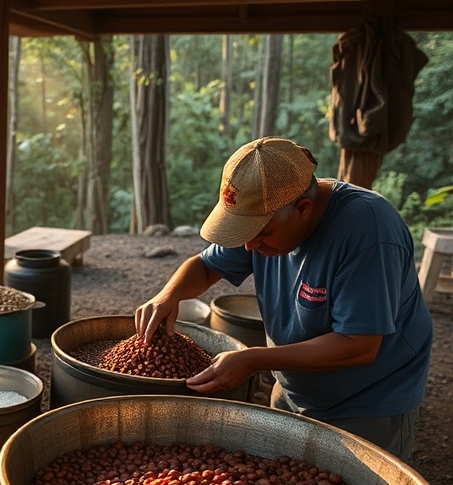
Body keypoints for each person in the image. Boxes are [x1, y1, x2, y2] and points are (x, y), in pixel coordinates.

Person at [135, 137, 432, 461]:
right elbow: (206, 266)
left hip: (367, 404)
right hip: (293, 388)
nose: (248, 248)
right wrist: (169, 294)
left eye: (259, 235)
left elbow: (358, 344)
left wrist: (253, 359)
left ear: (302, 209)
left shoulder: (369, 232)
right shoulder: (264, 218)